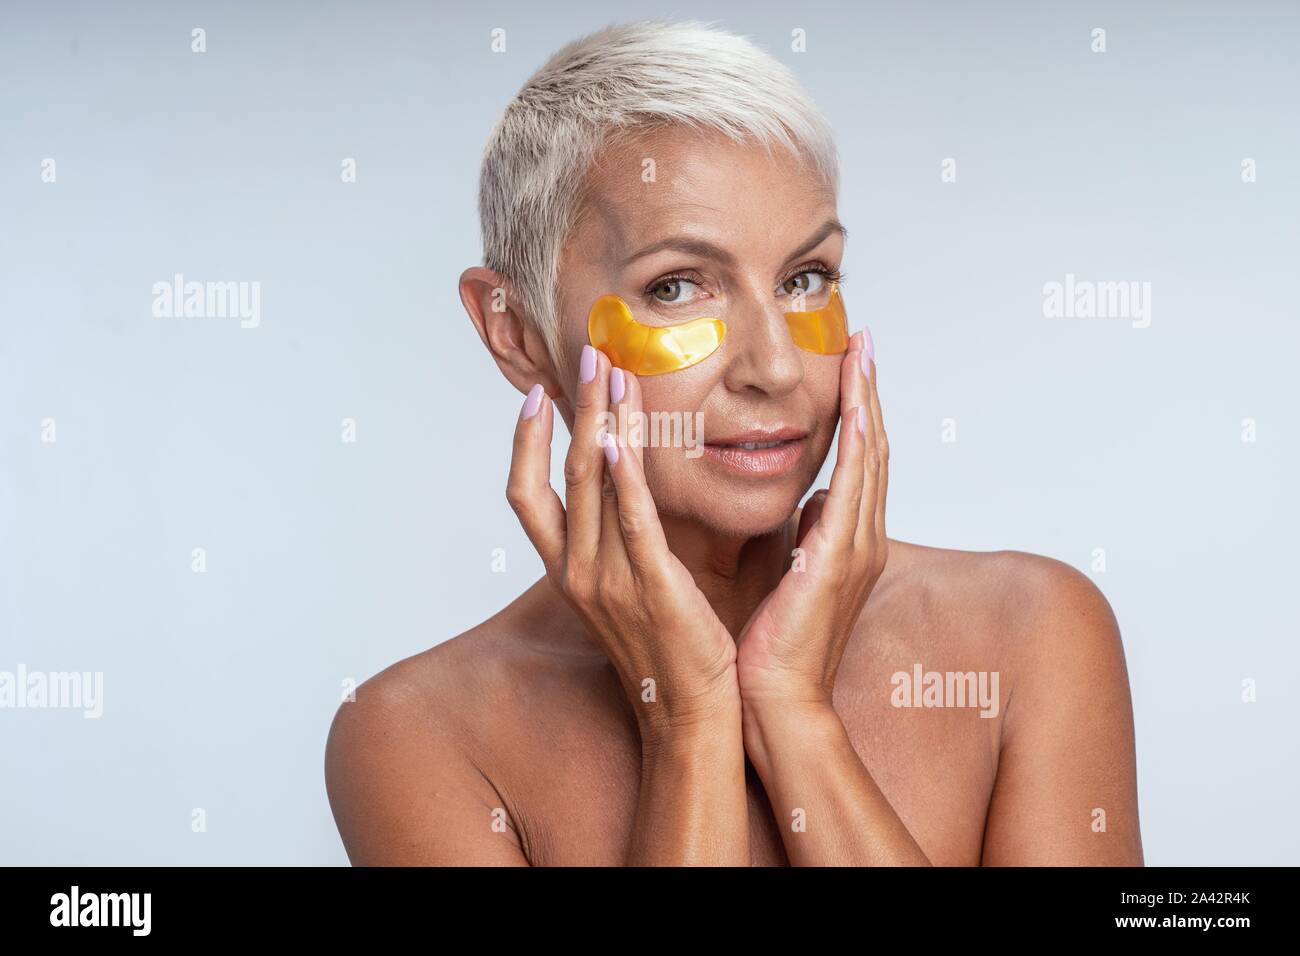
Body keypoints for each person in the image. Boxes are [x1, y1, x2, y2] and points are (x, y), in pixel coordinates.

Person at [325, 19, 1143, 866]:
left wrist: (793, 710)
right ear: (519, 332)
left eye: (805, 279)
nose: (777, 366)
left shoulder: (1030, 634)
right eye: (676, 287)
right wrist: (687, 718)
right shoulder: (416, 736)